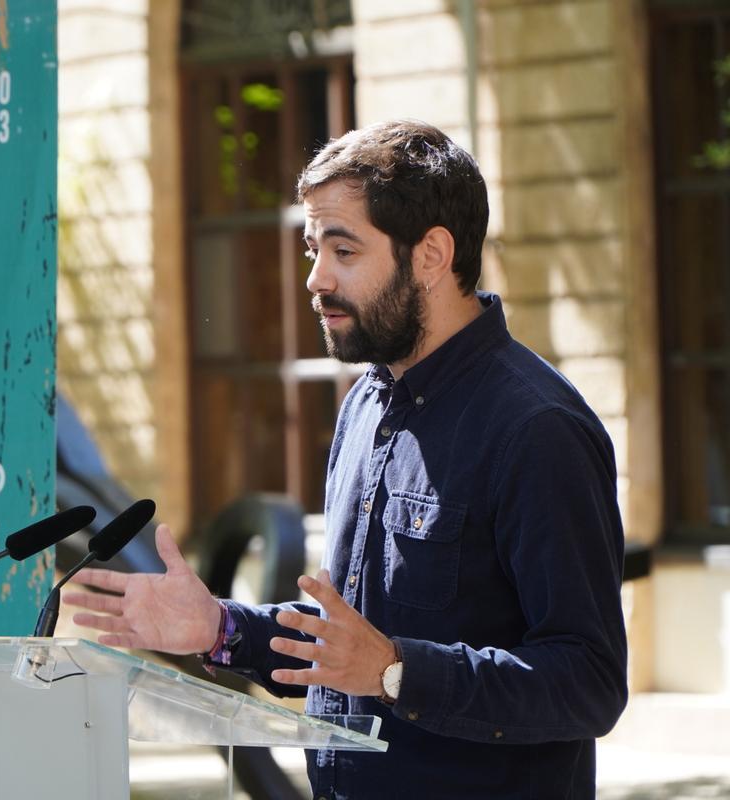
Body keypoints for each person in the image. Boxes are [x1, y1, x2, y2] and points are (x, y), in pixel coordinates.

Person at [64, 119, 628, 799]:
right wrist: (219, 627)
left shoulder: (538, 429)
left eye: (344, 250)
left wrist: (397, 672)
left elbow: (590, 684)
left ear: (430, 256)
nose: (315, 278)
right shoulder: (365, 407)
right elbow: (343, 646)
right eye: (313, 248)